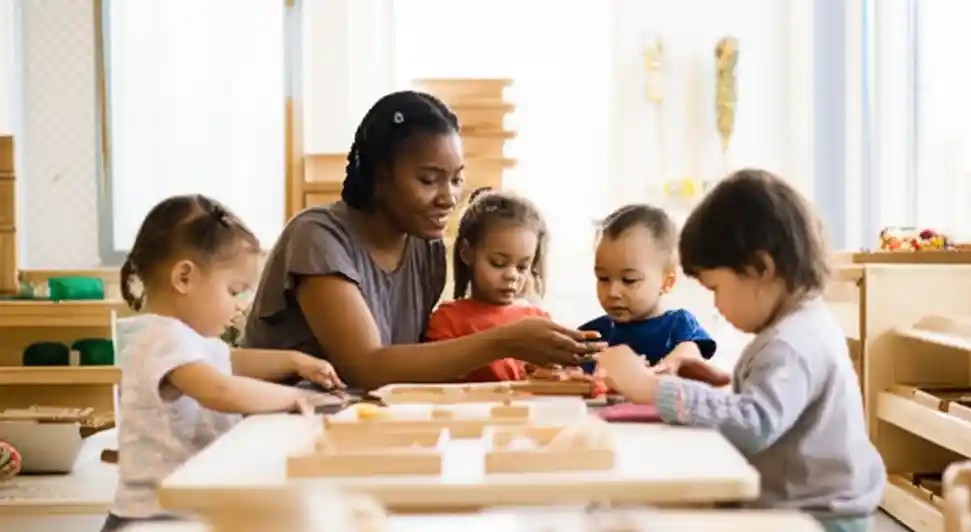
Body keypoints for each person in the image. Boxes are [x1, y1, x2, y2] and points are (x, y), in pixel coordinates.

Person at [596, 169, 886, 532]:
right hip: (818, 507)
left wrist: (652, 388)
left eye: (716, 288)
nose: (716, 303)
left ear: (761, 269)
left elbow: (755, 424)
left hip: (814, 518)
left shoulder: (792, 343)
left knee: (648, 529)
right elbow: (777, 407)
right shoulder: (802, 325)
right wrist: (717, 384)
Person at [240, 90, 602, 389]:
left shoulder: (424, 248)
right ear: (381, 177)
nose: (448, 197)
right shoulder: (318, 237)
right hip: (282, 421)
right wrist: (504, 340)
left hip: (363, 420)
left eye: (456, 179)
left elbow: (411, 364)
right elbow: (366, 368)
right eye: (429, 180)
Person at [105, 195, 342, 532]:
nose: (239, 306)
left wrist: (294, 361)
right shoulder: (159, 336)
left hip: (179, 512)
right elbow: (221, 390)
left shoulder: (184, 339)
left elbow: (229, 361)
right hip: (153, 521)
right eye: (234, 291)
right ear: (184, 277)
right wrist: (293, 396)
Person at [426, 190, 551, 382]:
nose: (512, 276)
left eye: (522, 267)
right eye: (498, 263)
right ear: (467, 254)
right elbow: (436, 380)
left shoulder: (538, 321)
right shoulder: (447, 320)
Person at [579, 204, 714, 373]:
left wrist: (666, 368)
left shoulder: (679, 326)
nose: (613, 292)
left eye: (629, 280)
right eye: (603, 278)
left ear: (667, 282)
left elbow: (688, 356)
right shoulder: (594, 334)